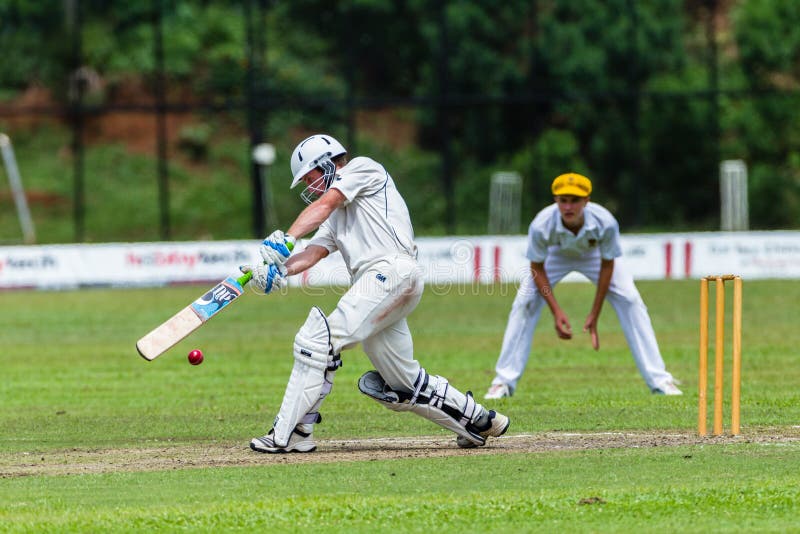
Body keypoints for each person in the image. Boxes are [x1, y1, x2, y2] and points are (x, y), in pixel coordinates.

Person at [241, 133, 510, 453]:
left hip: (392, 273)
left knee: (317, 341)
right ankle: (480, 420)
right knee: (403, 383)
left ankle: (292, 433)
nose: (309, 187)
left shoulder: (362, 169)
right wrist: (280, 271)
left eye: (310, 178)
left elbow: (325, 203)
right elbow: (313, 252)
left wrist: (284, 239)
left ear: (328, 164)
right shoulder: (336, 214)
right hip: (382, 287)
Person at [484, 172, 682, 400]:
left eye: (575, 200)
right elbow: (536, 268)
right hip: (555, 255)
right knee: (524, 301)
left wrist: (595, 313)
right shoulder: (541, 224)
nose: (568, 206)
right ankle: (503, 382)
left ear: (586, 201)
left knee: (630, 299)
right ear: (555, 200)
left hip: (594, 255)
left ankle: (660, 380)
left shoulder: (604, 221)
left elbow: (608, 265)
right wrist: (556, 311)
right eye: (563, 200)